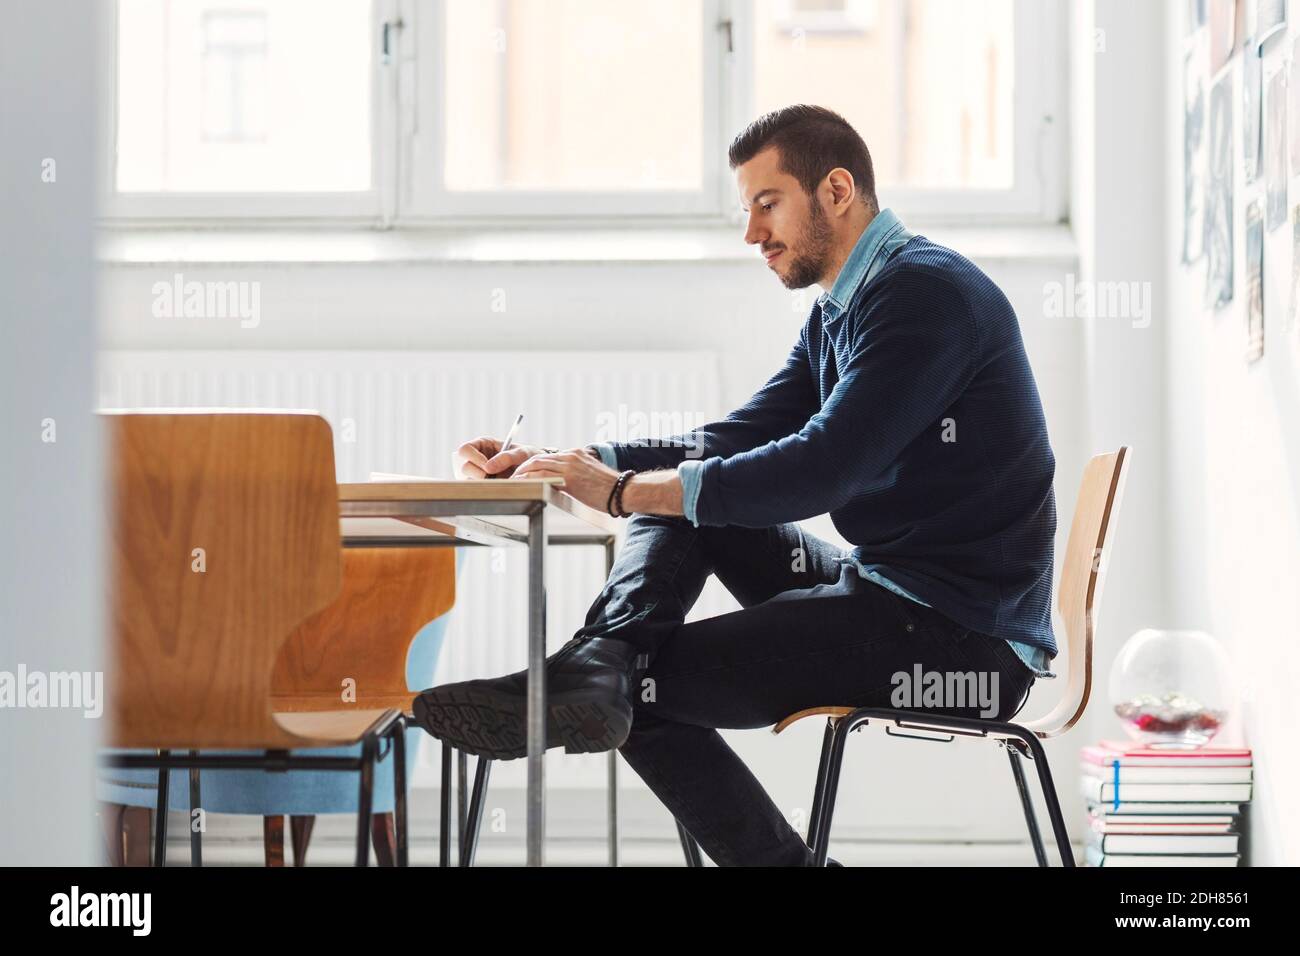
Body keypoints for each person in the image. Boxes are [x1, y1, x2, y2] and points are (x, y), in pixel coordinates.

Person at [413, 105, 1058, 866]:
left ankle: (604, 671)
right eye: (746, 210)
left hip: (961, 642)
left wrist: (620, 491)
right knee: (678, 507)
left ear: (838, 190)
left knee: (637, 694)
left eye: (766, 203)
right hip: (897, 593)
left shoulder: (924, 297)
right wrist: (575, 459)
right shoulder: (844, 308)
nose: (752, 233)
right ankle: (599, 662)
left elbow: (818, 469)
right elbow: (737, 437)